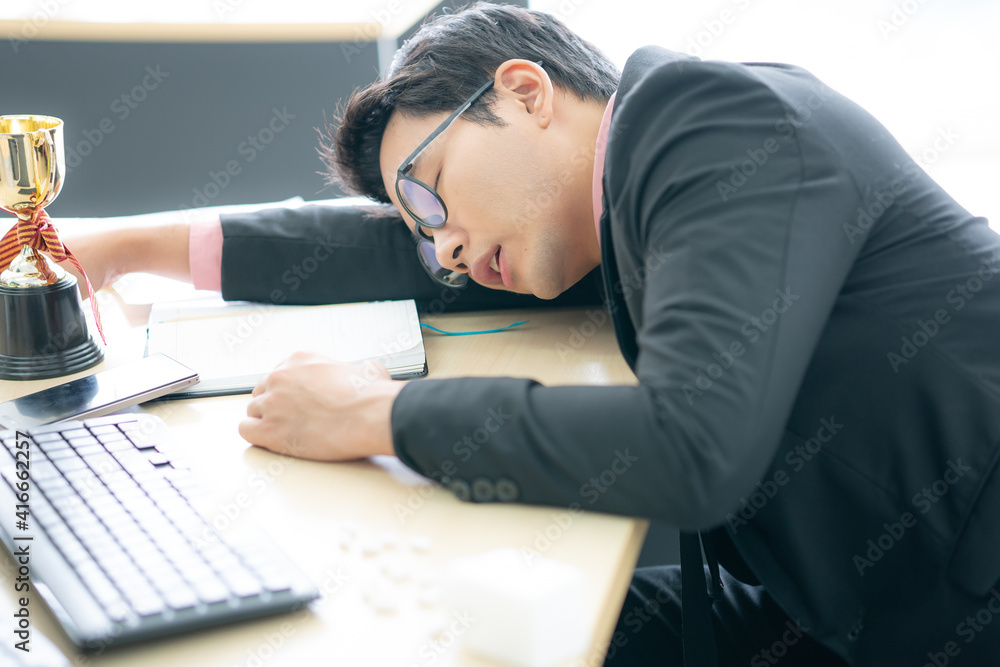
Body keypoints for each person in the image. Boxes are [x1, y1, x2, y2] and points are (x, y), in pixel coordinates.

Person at [59, 3, 1000, 665]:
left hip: (953, 611)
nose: (449, 250)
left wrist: (382, 415)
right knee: (462, 633)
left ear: (524, 90)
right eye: (426, 232)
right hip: (851, 611)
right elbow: (379, 250)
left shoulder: (712, 123)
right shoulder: (605, 201)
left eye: (431, 197)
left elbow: (692, 450)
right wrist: (121, 246)